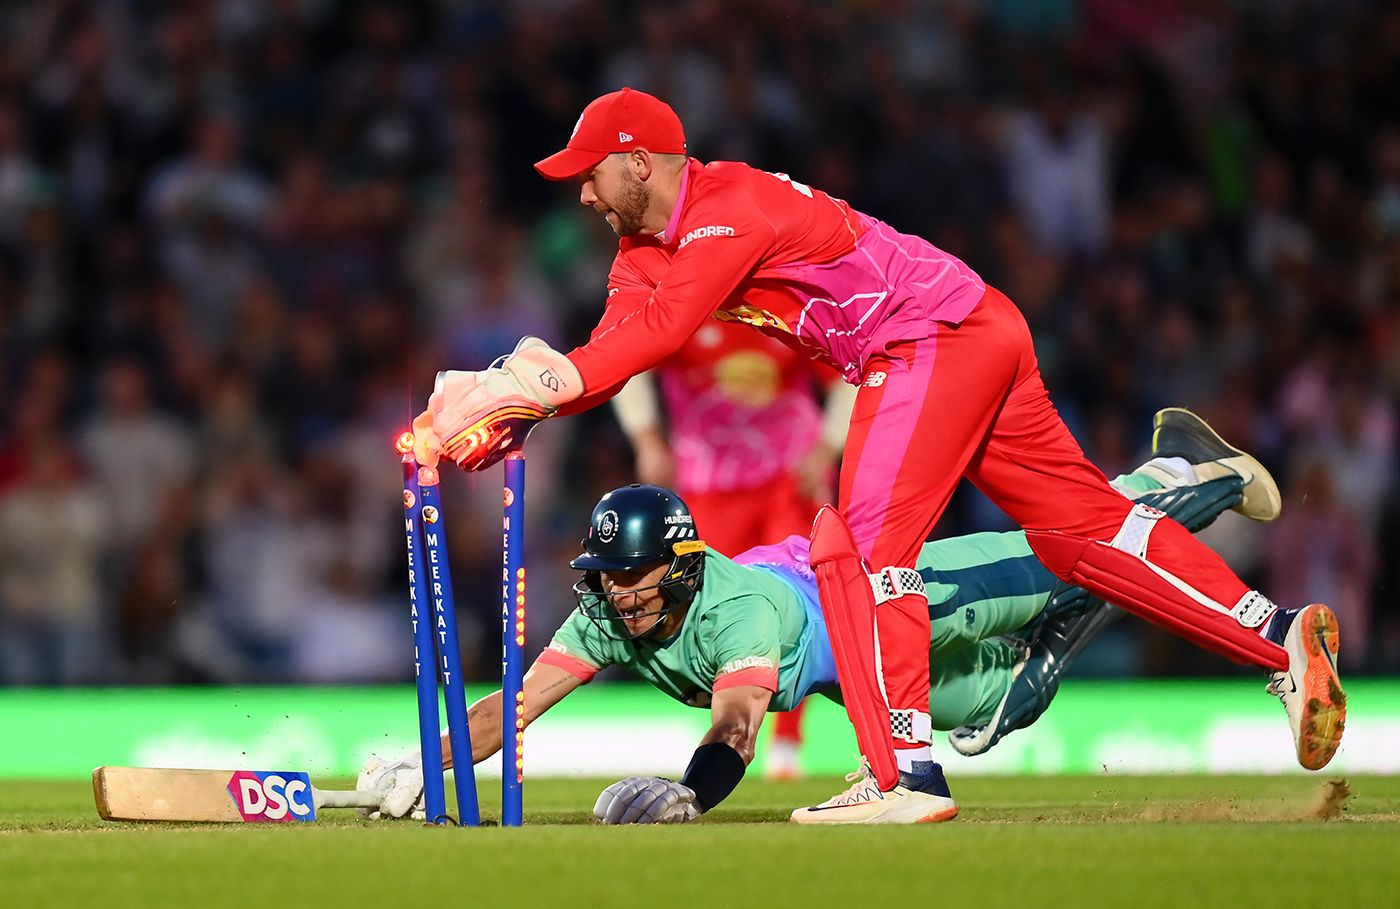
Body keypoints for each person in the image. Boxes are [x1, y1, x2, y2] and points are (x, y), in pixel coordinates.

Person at [409, 88, 1345, 823]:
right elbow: (616, 351)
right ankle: (1278, 637)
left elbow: (651, 342)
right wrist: (528, 409)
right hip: (973, 325)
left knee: (860, 549)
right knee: (1085, 535)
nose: (581, 193)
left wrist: (532, 383)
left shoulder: (729, 207)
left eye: (590, 175)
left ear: (640, 165)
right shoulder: (647, 250)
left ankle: (906, 771)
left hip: (926, 340)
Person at [362, 411, 1293, 824]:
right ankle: (1076, 619)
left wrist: (689, 794)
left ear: (681, 564)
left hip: (893, 597)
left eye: (636, 576)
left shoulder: (739, 613)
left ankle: (1181, 472)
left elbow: (735, 725)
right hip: (864, 680)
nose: (620, 595)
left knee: (1060, 557)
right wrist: (428, 757)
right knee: (1003, 707)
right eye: (608, 578)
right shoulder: (610, 615)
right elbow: (515, 705)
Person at [611, 319, 856, 778]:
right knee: (709, 610)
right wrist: (647, 439)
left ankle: (787, 743)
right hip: (709, 486)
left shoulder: (780, 309)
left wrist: (826, 448)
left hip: (789, 481)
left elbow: (849, 373)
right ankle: (727, 730)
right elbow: (626, 363)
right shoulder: (684, 313)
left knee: (806, 604)